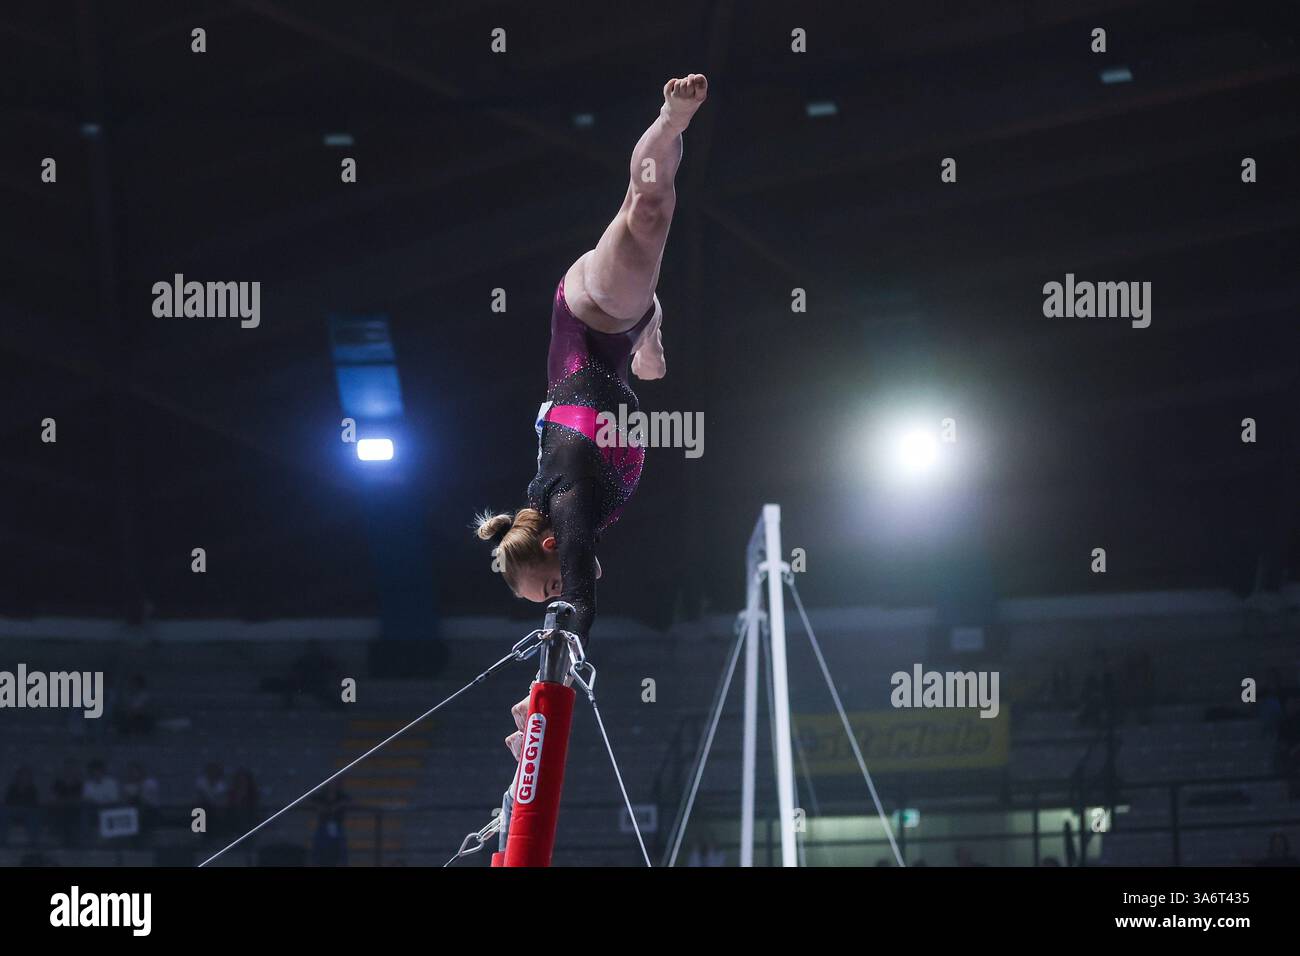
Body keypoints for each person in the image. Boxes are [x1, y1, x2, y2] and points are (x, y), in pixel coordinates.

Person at [471, 75, 709, 760]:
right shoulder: (571, 502)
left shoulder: (568, 494)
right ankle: (651, 327)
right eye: (542, 598)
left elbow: (576, 598)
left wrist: (545, 691)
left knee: (648, 210)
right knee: (644, 252)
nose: (554, 597)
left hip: (586, 317)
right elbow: (572, 593)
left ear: (549, 547)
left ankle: (670, 119)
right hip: (616, 336)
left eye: (543, 588)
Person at [1, 767, 41, 846]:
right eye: (22, 775)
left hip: (28, 812)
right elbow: (8, 802)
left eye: (26, 776)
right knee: (3, 812)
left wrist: (23, 805)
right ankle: (2, 840)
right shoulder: (12, 788)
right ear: (18, 777)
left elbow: (34, 803)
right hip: (13, 811)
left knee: (34, 814)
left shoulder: (33, 789)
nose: (24, 778)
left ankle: (33, 841)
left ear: (29, 778)